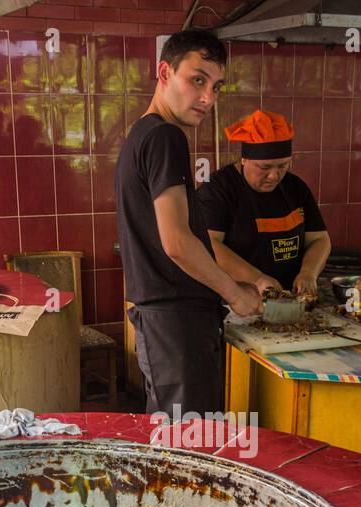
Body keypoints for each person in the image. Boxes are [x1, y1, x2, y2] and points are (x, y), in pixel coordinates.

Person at [114, 29, 262, 417]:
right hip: (176, 323)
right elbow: (177, 243)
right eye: (197, 80)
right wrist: (235, 294)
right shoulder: (165, 138)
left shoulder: (142, 134)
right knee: (188, 447)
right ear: (164, 73)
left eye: (216, 86)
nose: (208, 98)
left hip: (166, 321)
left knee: (175, 444)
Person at [197, 109, 331, 296]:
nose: (274, 175)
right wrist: (256, 279)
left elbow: (319, 239)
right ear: (244, 160)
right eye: (265, 167)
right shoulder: (218, 190)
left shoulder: (296, 187)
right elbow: (207, 245)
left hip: (289, 298)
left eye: (283, 165)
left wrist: (308, 273)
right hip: (233, 300)